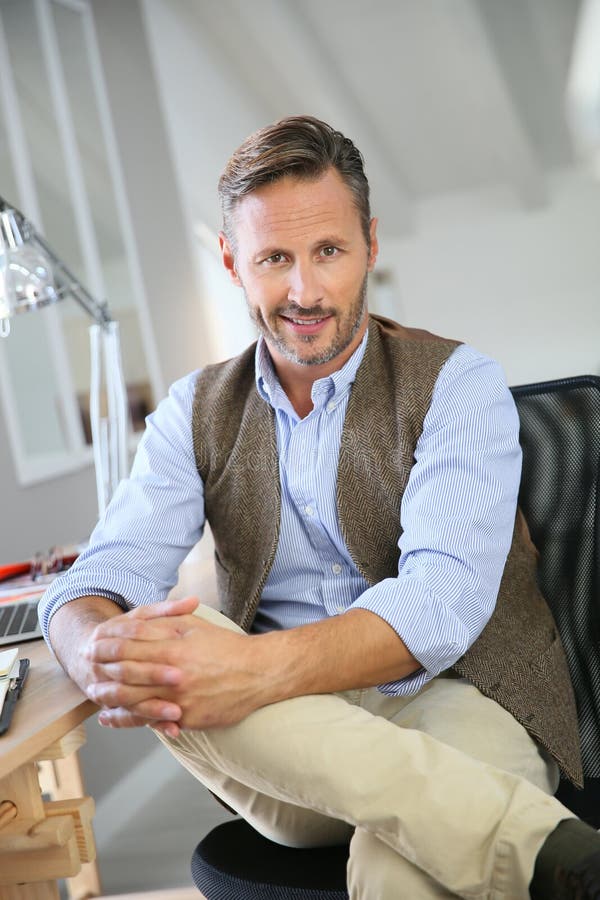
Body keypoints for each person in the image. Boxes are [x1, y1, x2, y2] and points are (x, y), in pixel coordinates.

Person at [41, 115, 600, 899]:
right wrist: (92, 646)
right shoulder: (191, 412)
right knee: (170, 632)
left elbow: (438, 610)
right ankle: (557, 855)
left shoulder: (456, 384)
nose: (304, 291)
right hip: (288, 744)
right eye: (274, 258)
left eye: (328, 252)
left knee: (398, 870)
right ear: (234, 262)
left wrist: (248, 671)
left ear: (369, 244)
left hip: (460, 695)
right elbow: (98, 576)